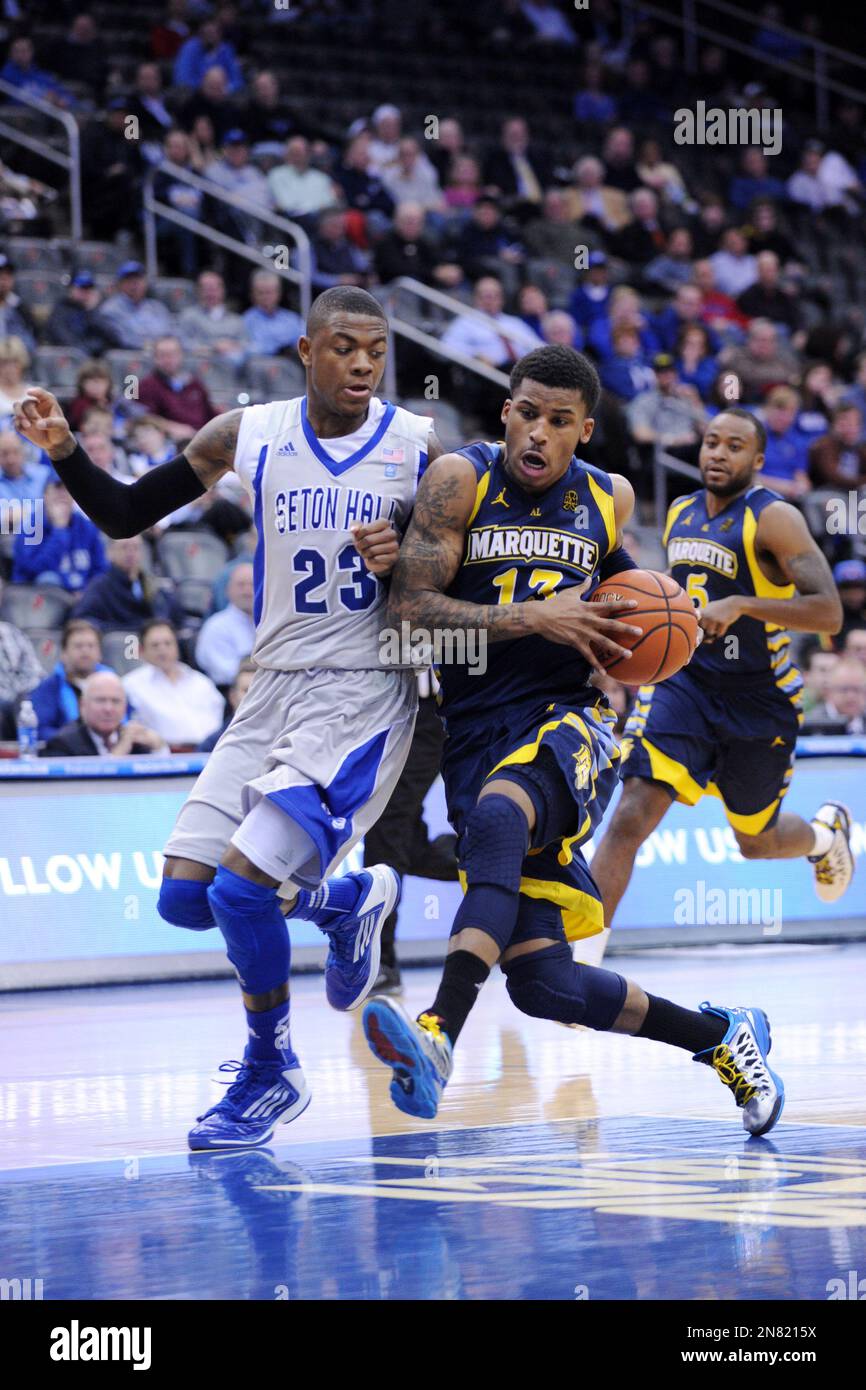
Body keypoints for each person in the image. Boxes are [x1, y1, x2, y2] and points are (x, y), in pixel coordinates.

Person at [13, 285, 445, 1151]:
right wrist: (64, 451)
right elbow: (129, 512)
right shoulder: (247, 433)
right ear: (304, 351)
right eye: (344, 347)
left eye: (376, 349)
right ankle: (342, 902)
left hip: (363, 688)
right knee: (184, 899)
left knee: (244, 890)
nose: (363, 363)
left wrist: (414, 555)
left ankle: (269, 1069)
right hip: (272, 685)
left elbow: (455, 571)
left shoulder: (419, 446)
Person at [360, 346, 786, 1139]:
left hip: (570, 719)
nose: (539, 433)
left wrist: (658, 627)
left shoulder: (608, 497)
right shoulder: (460, 479)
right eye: (528, 412)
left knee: (494, 820)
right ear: (506, 412)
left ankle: (437, 1035)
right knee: (545, 986)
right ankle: (723, 1038)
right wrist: (518, 609)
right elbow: (409, 614)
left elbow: (637, 597)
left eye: (560, 422)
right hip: (475, 728)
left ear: (584, 431)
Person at [590, 408, 853, 957]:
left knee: (757, 842)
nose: (717, 453)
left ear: (756, 461)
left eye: (734, 446)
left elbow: (829, 612)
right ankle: (578, 964)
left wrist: (744, 605)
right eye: (711, 442)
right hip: (685, 687)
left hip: (760, 699)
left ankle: (826, 836)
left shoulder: (775, 518)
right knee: (630, 814)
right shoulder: (681, 511)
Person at [122, 619, 225, 747]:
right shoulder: (131, 685)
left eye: (168, 643)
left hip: (212, 751)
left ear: (176, 645)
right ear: (141, 650)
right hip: (163, 756)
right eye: (155, 645)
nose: (163, 650)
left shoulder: (201, 681)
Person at [72, 534, 185, 631]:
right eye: (124, 547)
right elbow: (83, 620)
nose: (131, 553)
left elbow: (172, 615)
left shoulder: (151, 584)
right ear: (110, 552)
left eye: (136, 548)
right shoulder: (99, 587)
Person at [41, 670, 168, 757]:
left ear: (125, 707)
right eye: (100, 700)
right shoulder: (63, 743)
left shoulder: (134, 740)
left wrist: (159, 747)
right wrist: (121, 750)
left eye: (116, 701)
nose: (108, 708)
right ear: (82, 705)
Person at [12, 480, 107, 594]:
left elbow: (100, 569)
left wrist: (85, 593)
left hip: (83, 598)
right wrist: (59, 531)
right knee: (48, 579)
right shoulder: (31, 527)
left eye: (66, 490)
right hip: (39, 600)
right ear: (45, 496)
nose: (62, 495)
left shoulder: (87, 527)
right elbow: (33, 570)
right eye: (57, 490)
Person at [29, 618, 113, 741]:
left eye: (91, 646)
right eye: (78, 646)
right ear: (64, 653)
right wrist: (76, 742)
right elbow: (41, 730)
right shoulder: (49, 688)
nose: (85, 651)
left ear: (100, 653)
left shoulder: (113, 685)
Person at [137, 336, 217, 442]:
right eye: (163, 355)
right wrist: (169, 427)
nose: (168, 359)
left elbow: (210, 413)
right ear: (155, 358)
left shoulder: (194, 383)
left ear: (181, 355)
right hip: (170, 441)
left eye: (173, 354)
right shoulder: (146, 385)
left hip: (202, 439)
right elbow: (143, 418)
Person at [195, 561, 255, 685]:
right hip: (234, 695)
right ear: (228, 590)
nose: (247, 591)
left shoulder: (269, 624)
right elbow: (223, 672)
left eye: (253, 585)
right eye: (241, 585)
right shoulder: (216, 626)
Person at [97, 263, 176, 351]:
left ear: (145, 283)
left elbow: (172, 334)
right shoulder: (110, 310)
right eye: (129, 280)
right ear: (120, 284)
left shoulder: (157, 307)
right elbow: (124, 340)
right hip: (131, 358)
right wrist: (156, 347)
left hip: (163, 357)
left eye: (138, 279)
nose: (134, 284)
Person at [199, 659, 256, 752]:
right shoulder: (212, 744)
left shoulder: (279, 738)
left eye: (257, 690)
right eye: (246, 690)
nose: (252, 696)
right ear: (232, 697)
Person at [242, 270, 303, 357]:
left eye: (269, 292)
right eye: (261, 293)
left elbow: (305, 342)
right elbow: (245, 350)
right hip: (262, 365)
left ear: (279, 293)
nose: (266, 297)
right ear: (253, 295)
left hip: (292, 363)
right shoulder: (246, 320)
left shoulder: (292, 319)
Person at [802, 658, 866, 734]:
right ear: (828, 692)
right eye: (844, 689)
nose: (850, 696)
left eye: (857, 689)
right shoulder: (809, 724)